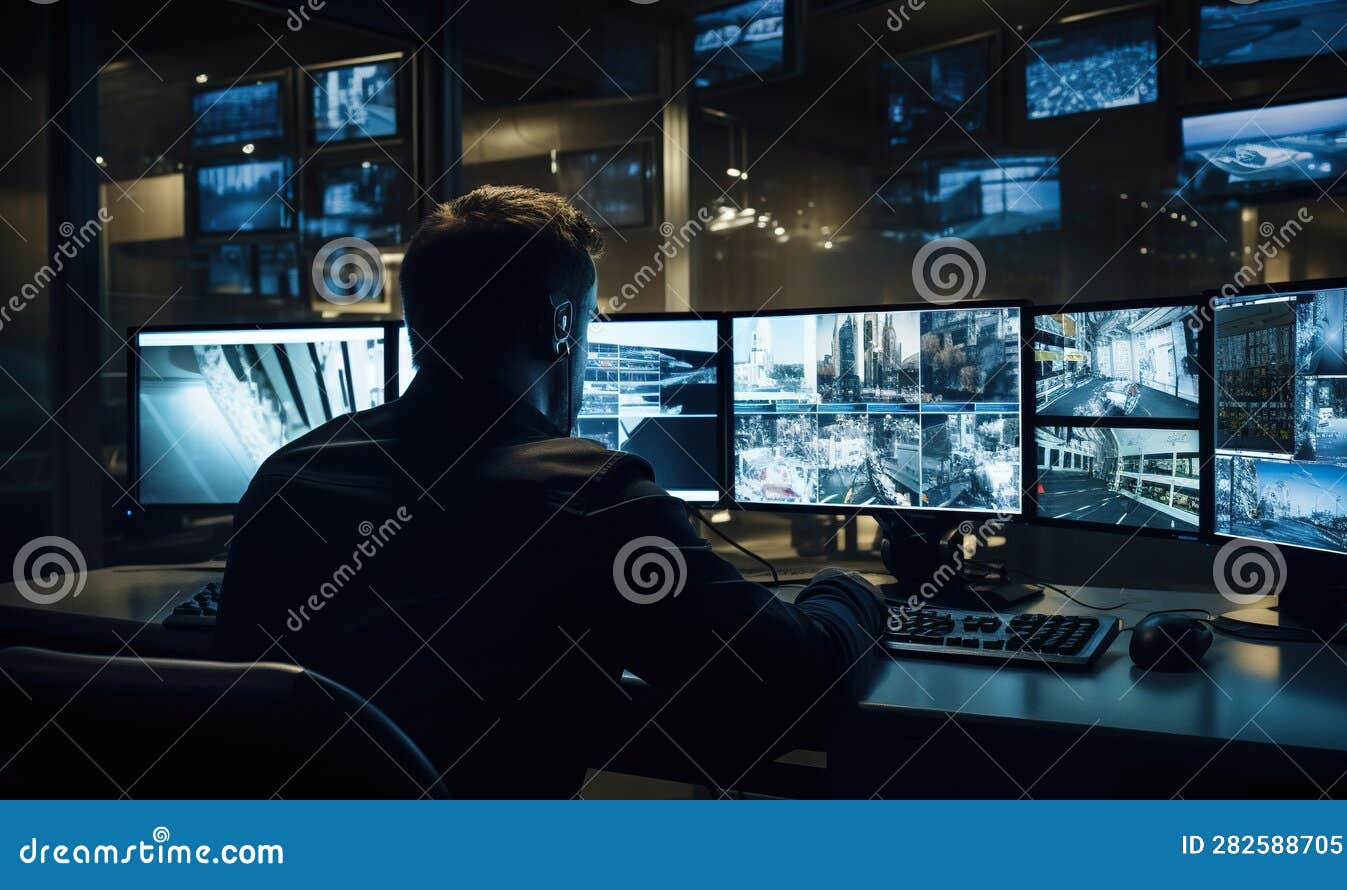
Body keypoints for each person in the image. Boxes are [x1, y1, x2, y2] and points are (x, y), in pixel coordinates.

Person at [217, 186, 884, 798]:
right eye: (594, 318)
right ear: (559, 325)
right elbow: (797, 682)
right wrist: (848, 588)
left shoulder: (286, 475)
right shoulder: (594, 497)